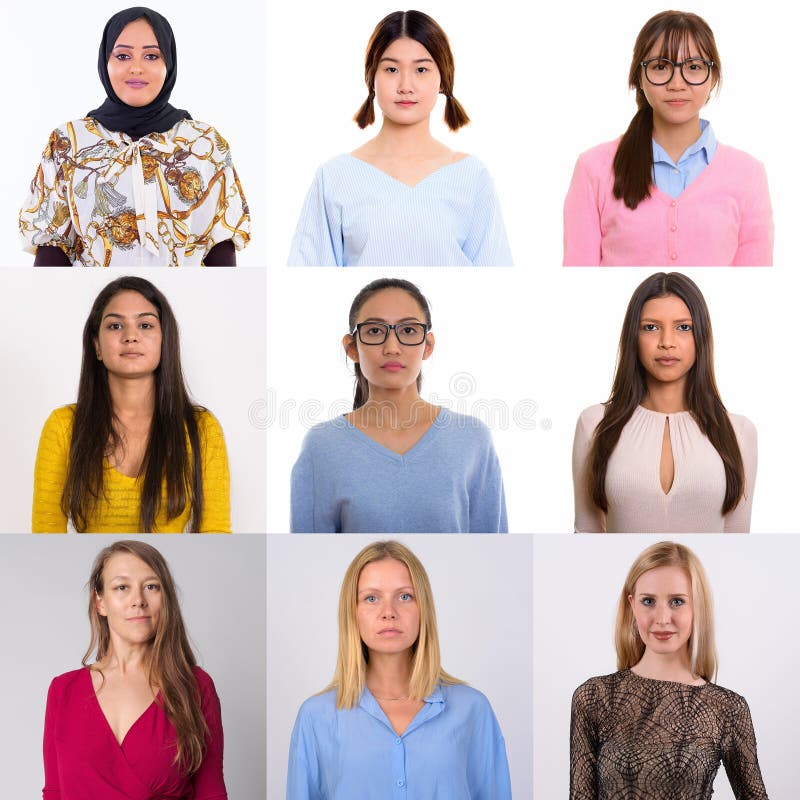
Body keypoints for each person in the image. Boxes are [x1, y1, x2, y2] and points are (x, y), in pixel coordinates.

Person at [20, 7, 250, 266]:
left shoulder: (204, 144)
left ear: (169, 63)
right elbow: (52, 247)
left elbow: (221, 247)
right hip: (93, 303)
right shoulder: (69, 143)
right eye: (123, 55)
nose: (136, 68)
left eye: (151, 56)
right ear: (105, 62)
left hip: (187, 303)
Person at [287, 540, 512, 799]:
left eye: (404, 596)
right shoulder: (316, 717)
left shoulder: (472, 710)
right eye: (371, 598)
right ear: (353, 612)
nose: (389, 612)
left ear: (422, 609)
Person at [288, 10, 512, 266]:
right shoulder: (335, 177)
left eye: (421, 69)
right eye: (392, 69)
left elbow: (496, 282)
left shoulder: (471, 177)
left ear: (443, 79)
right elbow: (308, 279)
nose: (406, 85)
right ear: (372, 77)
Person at [290, 278, 507, 532]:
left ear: (428, 345)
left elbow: (492, 552)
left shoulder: (472, 439)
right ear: (352, 348)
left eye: (408, 331)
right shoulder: (322, 446)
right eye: (374, 331)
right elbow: (313, 557)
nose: (392, 348)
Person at [563, 10, 772, 266]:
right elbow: (578, 279)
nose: (677, 83)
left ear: (713, 77)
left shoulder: (748, 175)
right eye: (661, 67)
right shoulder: (593, 168)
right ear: (639, 76)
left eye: (694, 67)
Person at [570, 541, 768, 799]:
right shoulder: (594, 697)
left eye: (677, 601)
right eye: (648, 601)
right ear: (632, 605)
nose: (662, 618)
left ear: (698, 606)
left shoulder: (727, 708)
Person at [32, 275, 230, 532]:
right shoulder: (63, 426)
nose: (131, 336)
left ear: (165, 340)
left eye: (145, 325)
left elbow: (216, 534)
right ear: (96, 346)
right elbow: (46, 535)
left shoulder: (202, 428)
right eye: (115, 326)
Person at [572, 272, 755, 533]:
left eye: (683, 327)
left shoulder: (739, 432)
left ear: (700, 336)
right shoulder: (594, 424)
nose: (667, 343)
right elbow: (586, 535)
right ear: (633, 337)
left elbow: (738, 541)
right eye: (651, 327)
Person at [43, 539, 227, 798]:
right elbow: (54, 792)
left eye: (151, 586)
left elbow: (211, 793)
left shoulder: (196, 686)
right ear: (100, 602)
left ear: (166, 599)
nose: (138, 600)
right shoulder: (63, 691)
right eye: (121, 587)